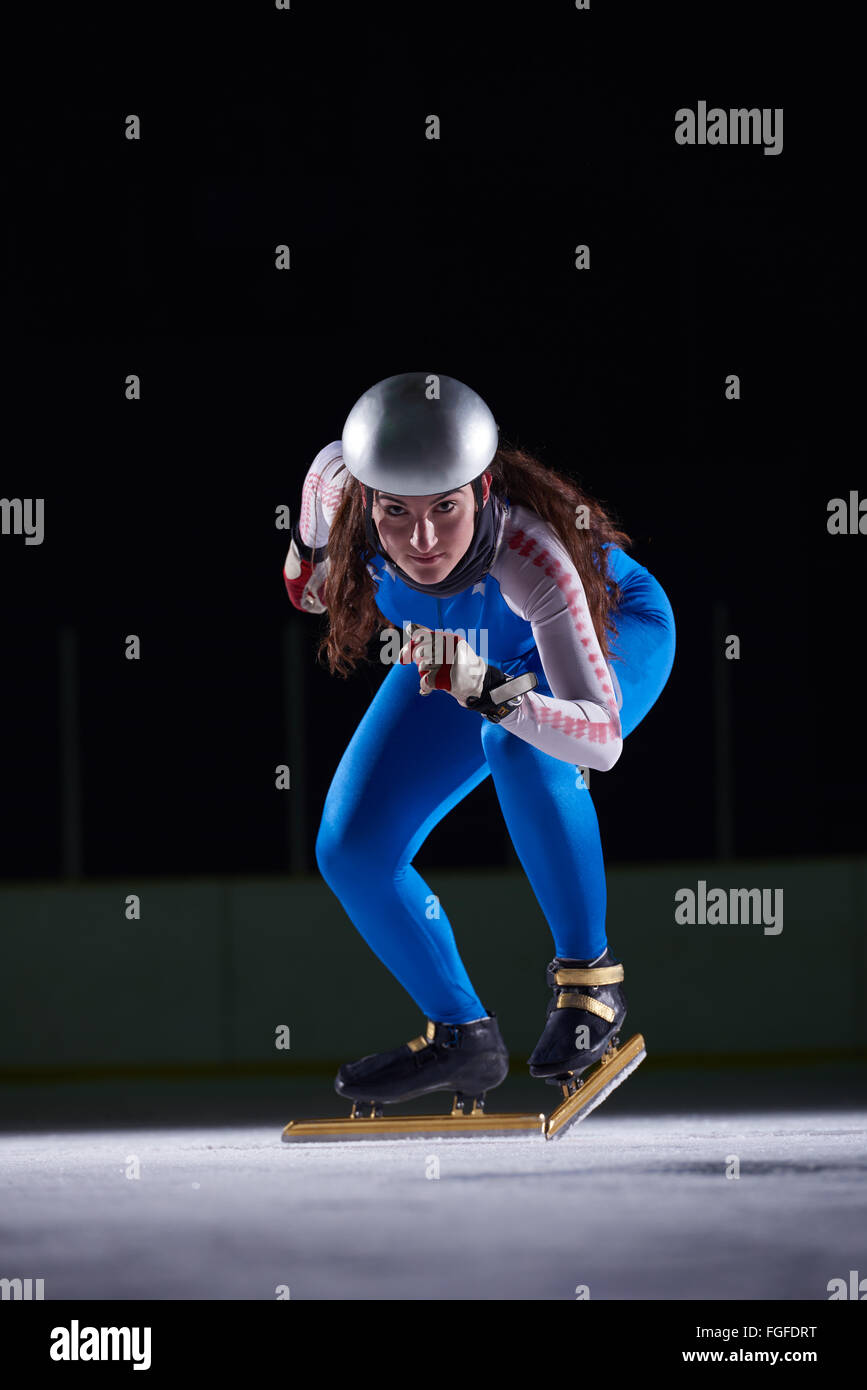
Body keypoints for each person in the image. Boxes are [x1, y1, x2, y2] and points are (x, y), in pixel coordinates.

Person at [283, 372, 675, 1114]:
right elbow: (304, 580)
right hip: (462, 644)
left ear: (484, 489)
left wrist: (483, 688)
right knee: (351, 847)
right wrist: (318, 570)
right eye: (395, 512)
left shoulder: (535, 557)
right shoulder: (331, 488)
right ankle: (462, 1035)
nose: (421, 541)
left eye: (446, 509)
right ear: (362, 497)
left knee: (522, 747)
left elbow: (600, 738)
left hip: (612, 627)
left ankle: (591, 981)